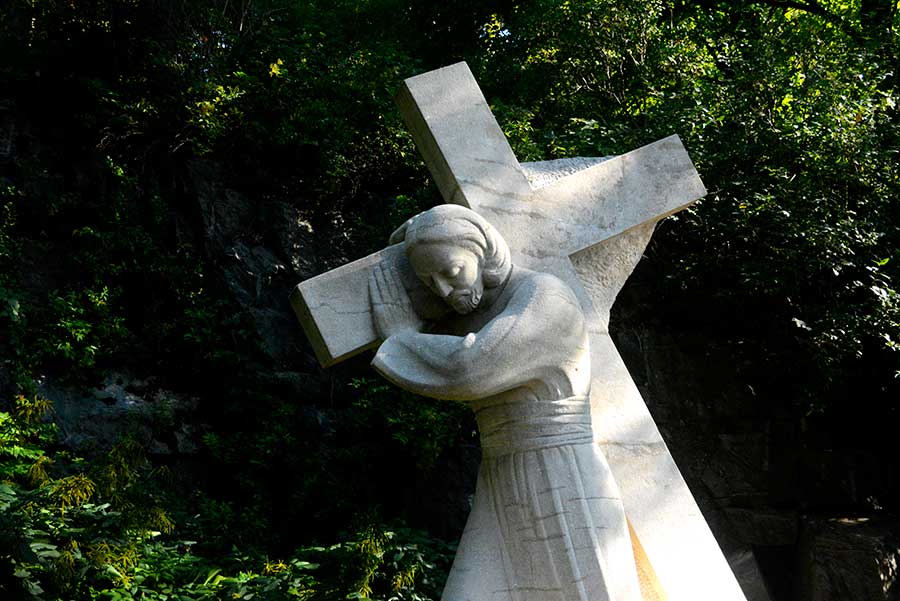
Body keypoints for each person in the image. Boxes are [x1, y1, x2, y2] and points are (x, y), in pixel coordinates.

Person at [368, 205, 641, 601]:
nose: (442, 289)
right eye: (429, 280)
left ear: (481, 251)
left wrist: (400, 338)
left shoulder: (547, 299)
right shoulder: (478, 316)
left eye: (451, 271)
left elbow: (470, 367)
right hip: (500, 474)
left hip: (561, 476)